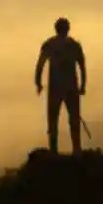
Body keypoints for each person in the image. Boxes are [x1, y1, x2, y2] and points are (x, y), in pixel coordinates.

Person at [34, 17, 87, 154]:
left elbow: (40, 65)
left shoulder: (50, 44)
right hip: (70, 87)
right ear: (67, 29)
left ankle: (54, 150)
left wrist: (38, 82)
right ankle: (76, 149)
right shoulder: (74, 45)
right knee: (73, 119)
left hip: (57, 88)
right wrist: (82, 85)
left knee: (53, 120)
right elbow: (82, 66)